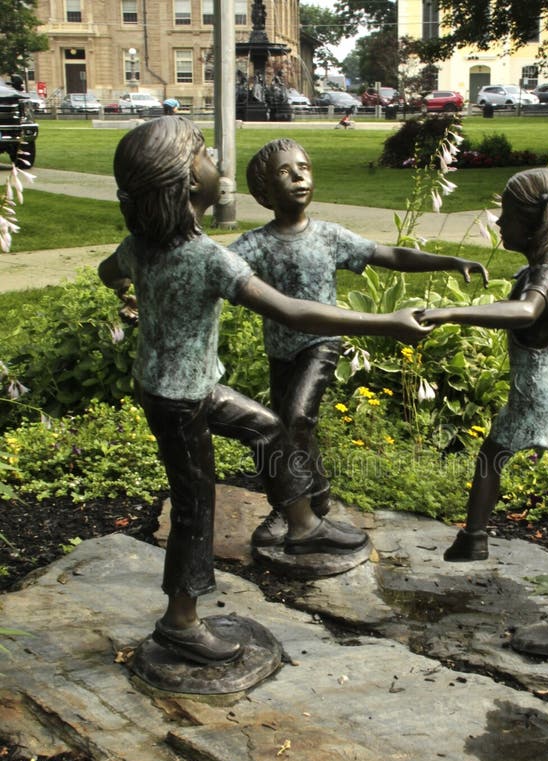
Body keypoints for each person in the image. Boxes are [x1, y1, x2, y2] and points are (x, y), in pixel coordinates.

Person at [98, 117, 432, 665]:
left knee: (270, 429)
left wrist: (126, 288)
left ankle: (302, 524)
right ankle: (180, 623)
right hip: (179, 402)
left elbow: (107, 271)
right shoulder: (209, 259)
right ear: (189, 182)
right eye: (207, 156)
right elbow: (293, 311)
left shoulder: (139, 246)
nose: (217, 165)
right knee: (194, 506)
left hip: (183, 388)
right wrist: (385, 322)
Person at [230, 138, 489, 545]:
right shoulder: (256, 244)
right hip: (280, 351)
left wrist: (449, 261)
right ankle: (315, 499)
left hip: (321, 344)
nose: (298, 177)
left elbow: (391, 255)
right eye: (284, 172)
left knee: (295, 420)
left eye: (304, 167)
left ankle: (290, 508)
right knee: (289, 427)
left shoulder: (328, 236)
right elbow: (215, 270)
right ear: (264, 191)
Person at [418, 167, 548, 629]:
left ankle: (475, 535)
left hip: (539, 391)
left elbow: (525, 311)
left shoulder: (545, 276)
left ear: (534, 222)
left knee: (492, 455)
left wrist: (452, 312)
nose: (499, 222)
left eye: (506, 214)